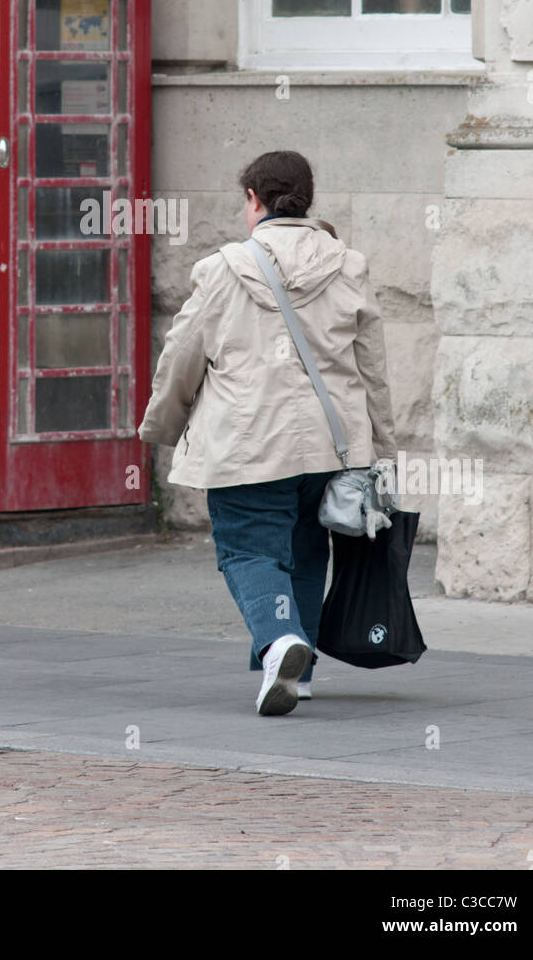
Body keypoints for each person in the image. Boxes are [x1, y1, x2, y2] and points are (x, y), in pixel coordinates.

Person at [138, 149, 397, 715]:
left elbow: (183, 355)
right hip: (331, 445)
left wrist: (162, 422)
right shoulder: (348, 265)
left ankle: (280, 642)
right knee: (306, 548)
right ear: (307, 199)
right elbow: (371, 368)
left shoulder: (223, 268)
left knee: (249, 548)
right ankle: (295, 677)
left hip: (247, 442)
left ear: (253, 200)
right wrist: (380, 447)